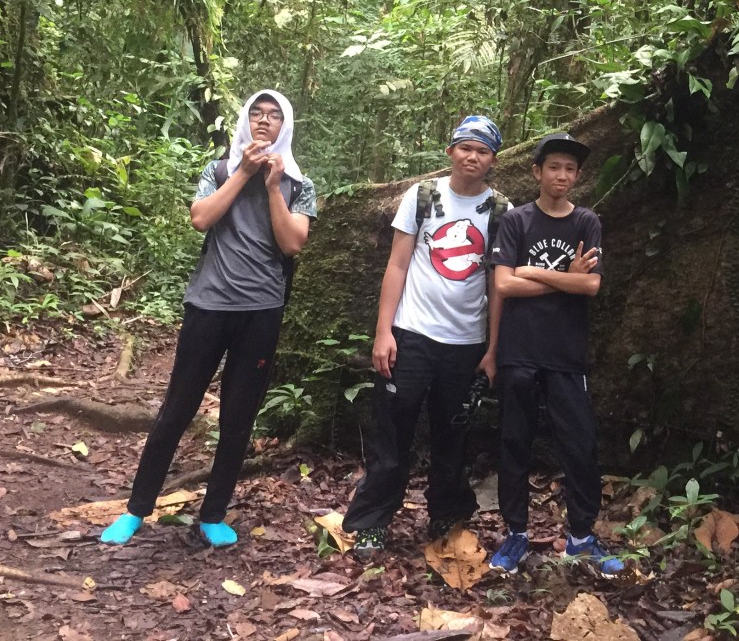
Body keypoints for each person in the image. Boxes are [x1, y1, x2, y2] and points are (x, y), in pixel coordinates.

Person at [101, 89, 317, 548]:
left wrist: (273, 185)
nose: (264, 121)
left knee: (239, 415)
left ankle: (213, 514)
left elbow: (292, 243)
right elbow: (201, 218)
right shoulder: (218, 171)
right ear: (245, 122)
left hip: (261, 309)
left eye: (274, 116)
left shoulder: (299, 184)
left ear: (286, 127)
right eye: (256, 114)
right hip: (209, 304)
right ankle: (137, 510)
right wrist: (242, 172)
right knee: (177, 408)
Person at [343, 115, 508, 559]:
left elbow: (497, 283)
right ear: (451, 150)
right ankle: (372, 521)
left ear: (493, 159)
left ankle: (447, 516)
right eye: (466, 147)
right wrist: (383, 331)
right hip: (412, 334)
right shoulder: (422, 196)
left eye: (483, 150)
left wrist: (493, 347)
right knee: (392, 431)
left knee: (453, 434)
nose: (473, 157)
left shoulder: (500, 210)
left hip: (466, 342)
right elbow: (397, 264)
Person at [487, 132, 623, 575]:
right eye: (553, 167)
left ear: (577, 176)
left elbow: (592, 285)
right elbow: (503, 285)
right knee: (514, 443)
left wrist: (533, 270)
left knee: (579, 446)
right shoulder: (517, 221)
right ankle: (516, 535)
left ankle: (581, 536)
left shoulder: (586, 222)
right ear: (537, 172)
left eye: (569, 169)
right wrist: (564, 274)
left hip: (567, 353)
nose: (562, 175)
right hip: (518, 350)